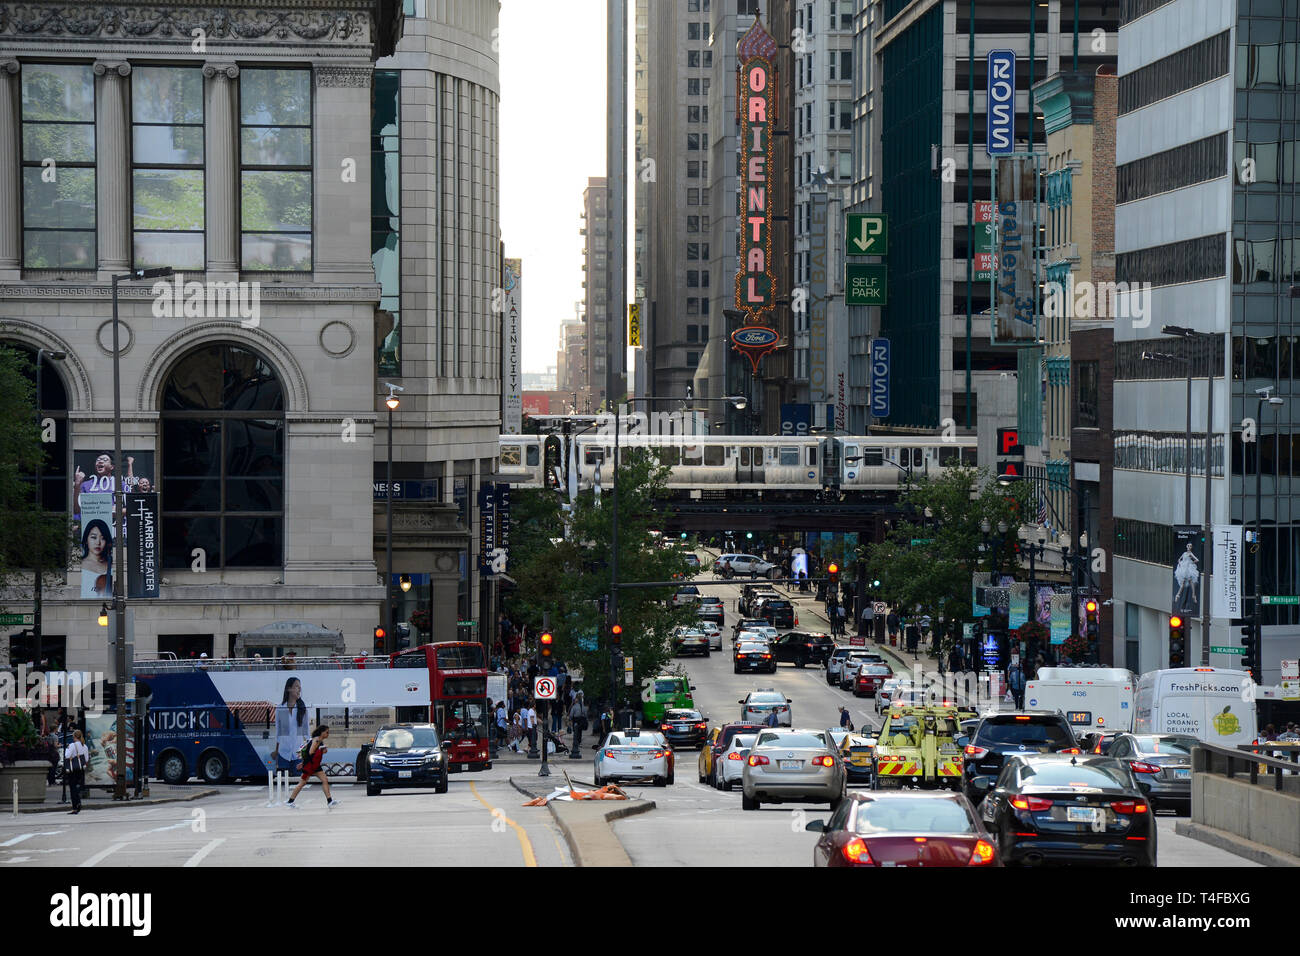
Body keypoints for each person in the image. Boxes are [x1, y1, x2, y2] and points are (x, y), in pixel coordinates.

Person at [286, 726, 339, 809]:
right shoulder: (317, 740)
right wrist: (321, 750)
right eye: (327, 732)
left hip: (314, 765)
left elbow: (309, 752)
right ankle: (290, 801)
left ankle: (330, 801)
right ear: (322, 732)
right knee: (302, 783)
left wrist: (303, 763)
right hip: (311, 765)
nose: (328, 734)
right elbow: (311, 752)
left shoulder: (318, 740)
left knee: (324, 780)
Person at [272, 676, 310, 774]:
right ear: (289, 689)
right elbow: (279, 733)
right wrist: (276, 752)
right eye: (297, 686)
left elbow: (306, 734)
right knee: (283, 783)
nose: (299, 689)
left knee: (297, 783)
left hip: (298, 755)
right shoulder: (280, 708)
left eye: (300, 687)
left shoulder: (302, 709)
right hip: (283, 754)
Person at [79, 518, 113, 599]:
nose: (98, 542)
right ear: (86, 540)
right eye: (93, 537)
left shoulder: (110, 564)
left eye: (103, 538)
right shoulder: (81, 564)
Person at [64, 730, 89, 814]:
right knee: (78, 787)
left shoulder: (71, 745)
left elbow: (67, 756)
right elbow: (86, 759)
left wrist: (71, 755)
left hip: (73, 769)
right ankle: (78, 803)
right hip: (81, 769)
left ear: (74, 736)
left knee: (72, 787)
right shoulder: (84, 746)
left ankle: (75, 806)